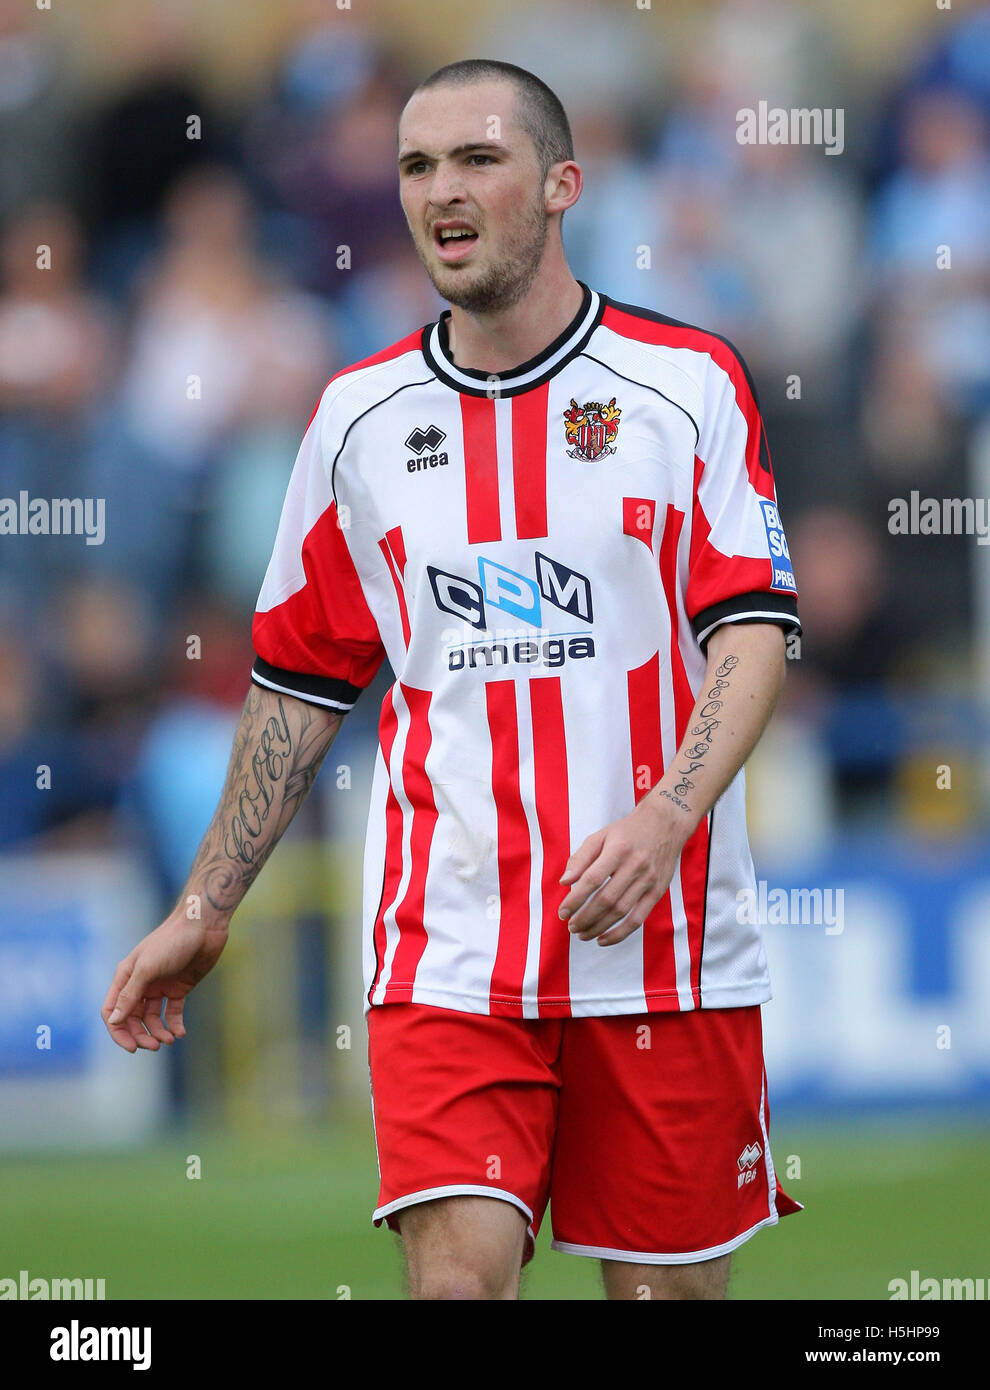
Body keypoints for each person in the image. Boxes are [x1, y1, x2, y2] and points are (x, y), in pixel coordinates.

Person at [102, 59, 803, 1301]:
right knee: (456, 1286)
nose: (443, 189)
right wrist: (208, 903)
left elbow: (751, 636)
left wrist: (665, 813)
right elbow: (296, 687)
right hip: (453, 949)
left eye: (478, 158)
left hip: (665, 950)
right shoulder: (357, 422)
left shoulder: (684, 388)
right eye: (418, 165)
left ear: (562, 184)